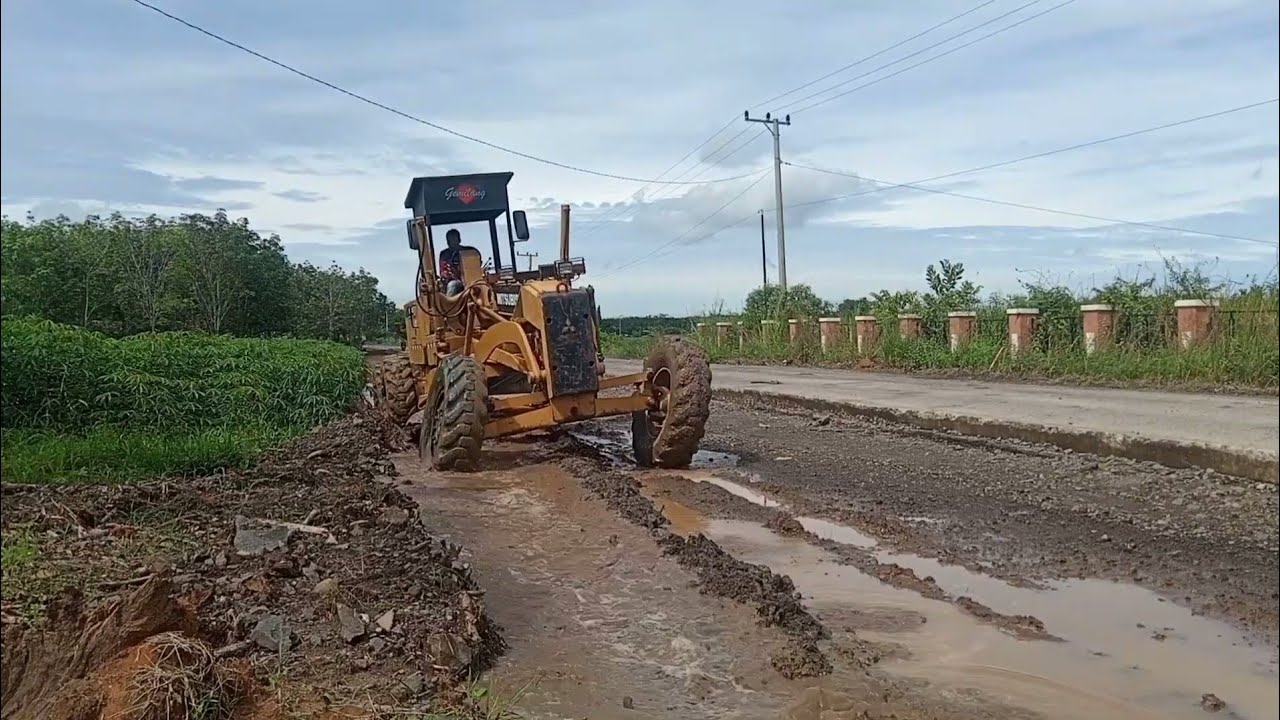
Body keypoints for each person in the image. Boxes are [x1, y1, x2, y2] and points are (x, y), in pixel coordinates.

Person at [438, 228, 470, 296]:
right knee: (452, 285)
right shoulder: (444, 254)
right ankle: (449, 305)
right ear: (447, 242)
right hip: (455, 281)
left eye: (454, 240)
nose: (452, 242)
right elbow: (443, 272)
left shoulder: (469, 251)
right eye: (450, 240)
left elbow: (477, 264)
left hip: (471, 279)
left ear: (459, 240)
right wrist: (450, 276)